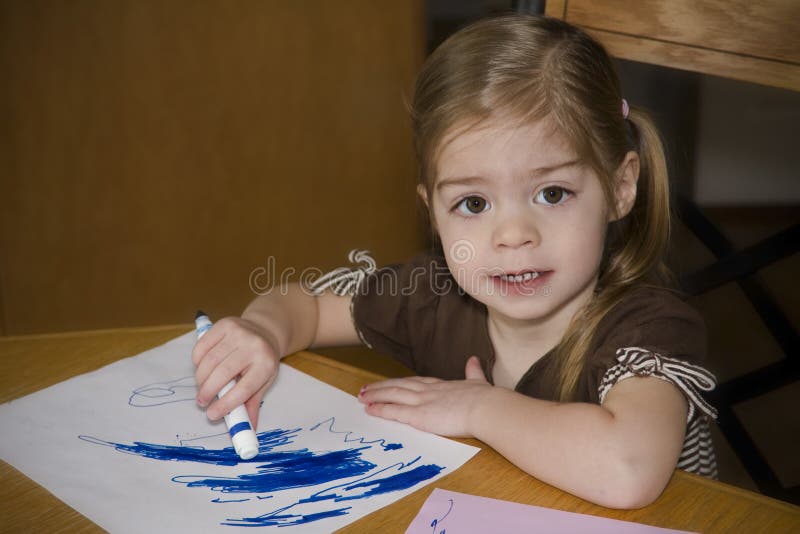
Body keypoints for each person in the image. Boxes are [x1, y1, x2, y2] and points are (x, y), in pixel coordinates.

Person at [192, 14, 718, 509]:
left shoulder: (647, 328)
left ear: (620, 187)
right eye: (473, 204)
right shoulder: (434, 292)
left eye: (552, 194)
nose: (513, 236)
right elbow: (304, 305)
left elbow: (629, 467)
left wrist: (476, 408)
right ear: (433, 212)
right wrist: (263, 331)